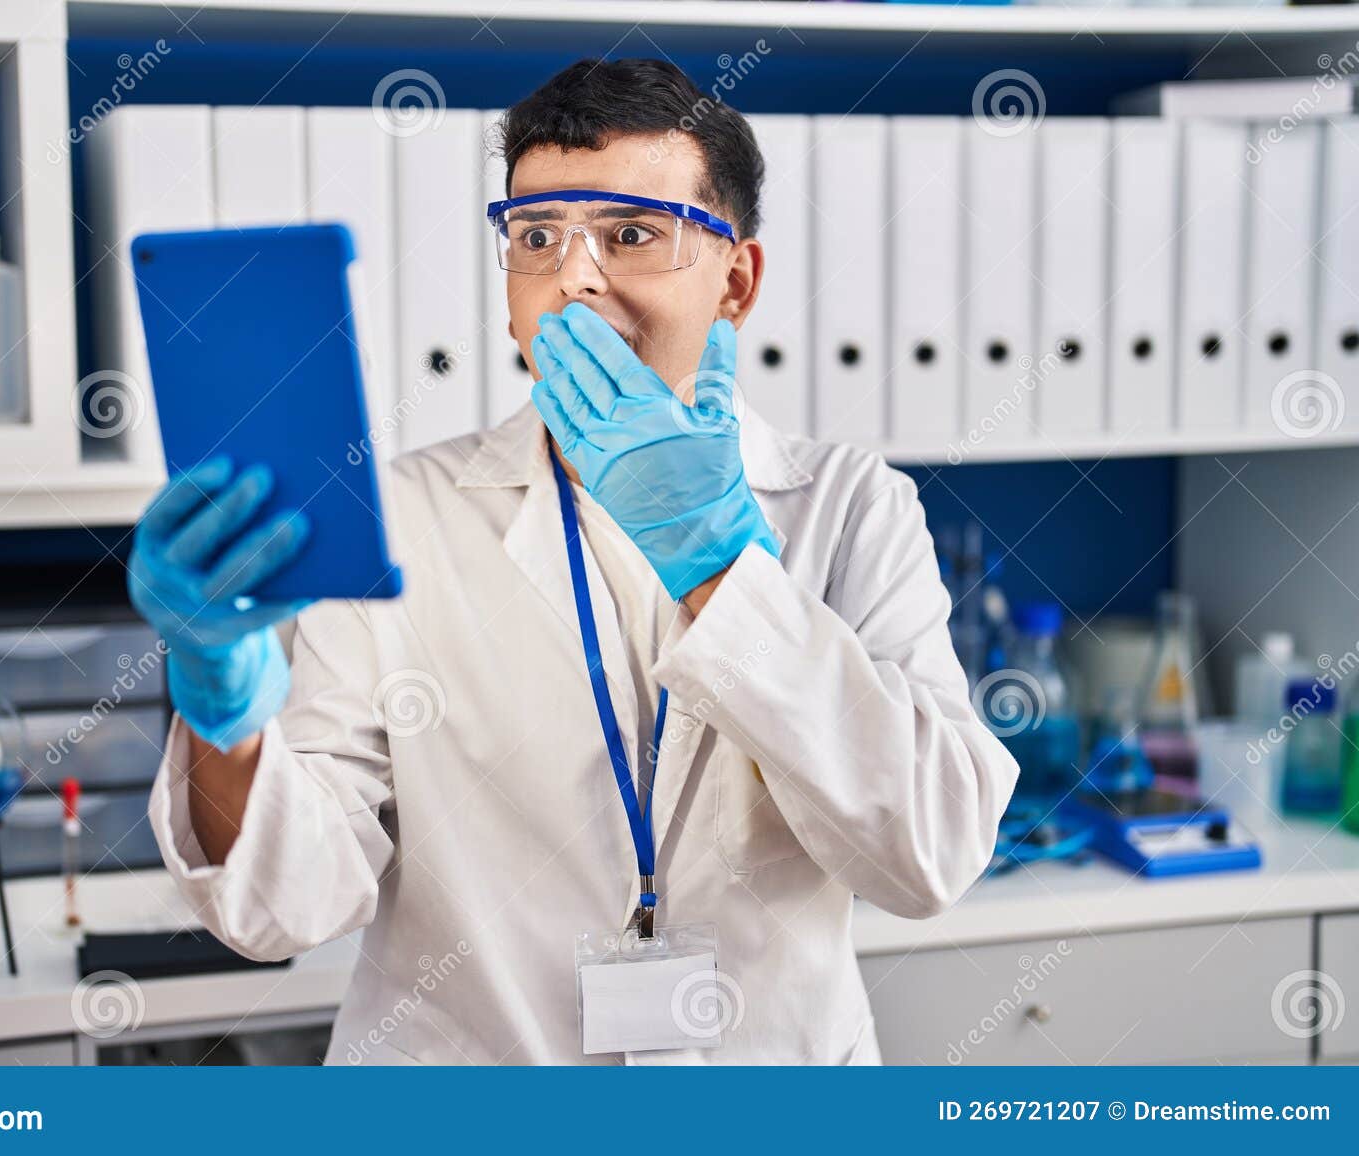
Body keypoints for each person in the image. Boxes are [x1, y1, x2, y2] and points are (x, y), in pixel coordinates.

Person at [130, 58, 1018, 1064]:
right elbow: (286, 908)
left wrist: (719, 564)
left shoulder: (853, 507)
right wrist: (223, 710)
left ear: (737, 279)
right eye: (536, 237)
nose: (575, 276)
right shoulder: (401, 519)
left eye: (632, 234)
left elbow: (929, 856)